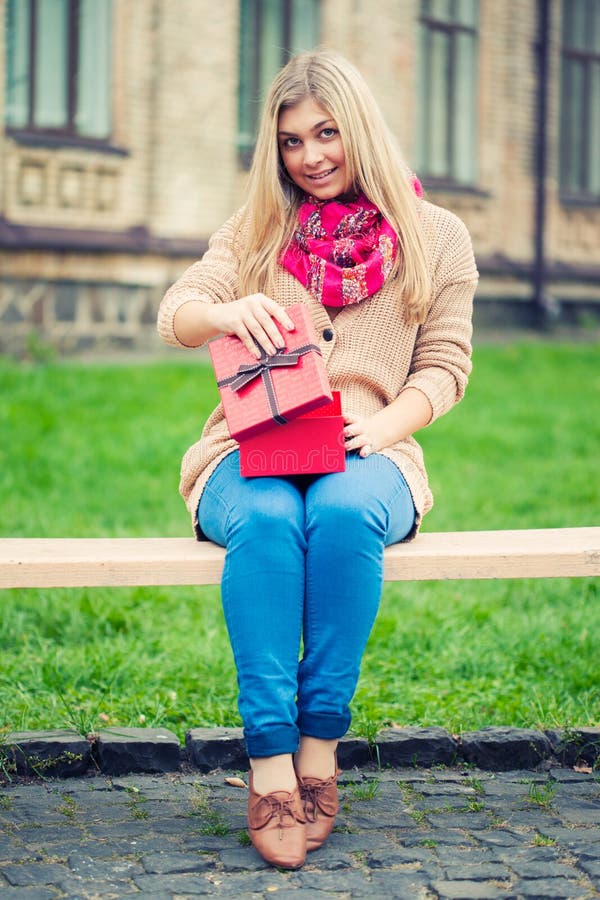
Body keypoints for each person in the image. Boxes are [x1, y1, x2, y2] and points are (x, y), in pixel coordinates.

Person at [157, 50, 478, 869]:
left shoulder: (437, 237)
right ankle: (269, 764)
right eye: (293, 141)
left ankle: (318, 750)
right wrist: (228, 307)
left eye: (327, 133)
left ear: (358, 129)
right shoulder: (259, 228)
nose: (312, 157)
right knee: (267, 521)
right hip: (248, 450)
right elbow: (179, 313)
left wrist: (381, 428)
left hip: (370, 449)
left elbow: (445, 366)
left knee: (338, 511)